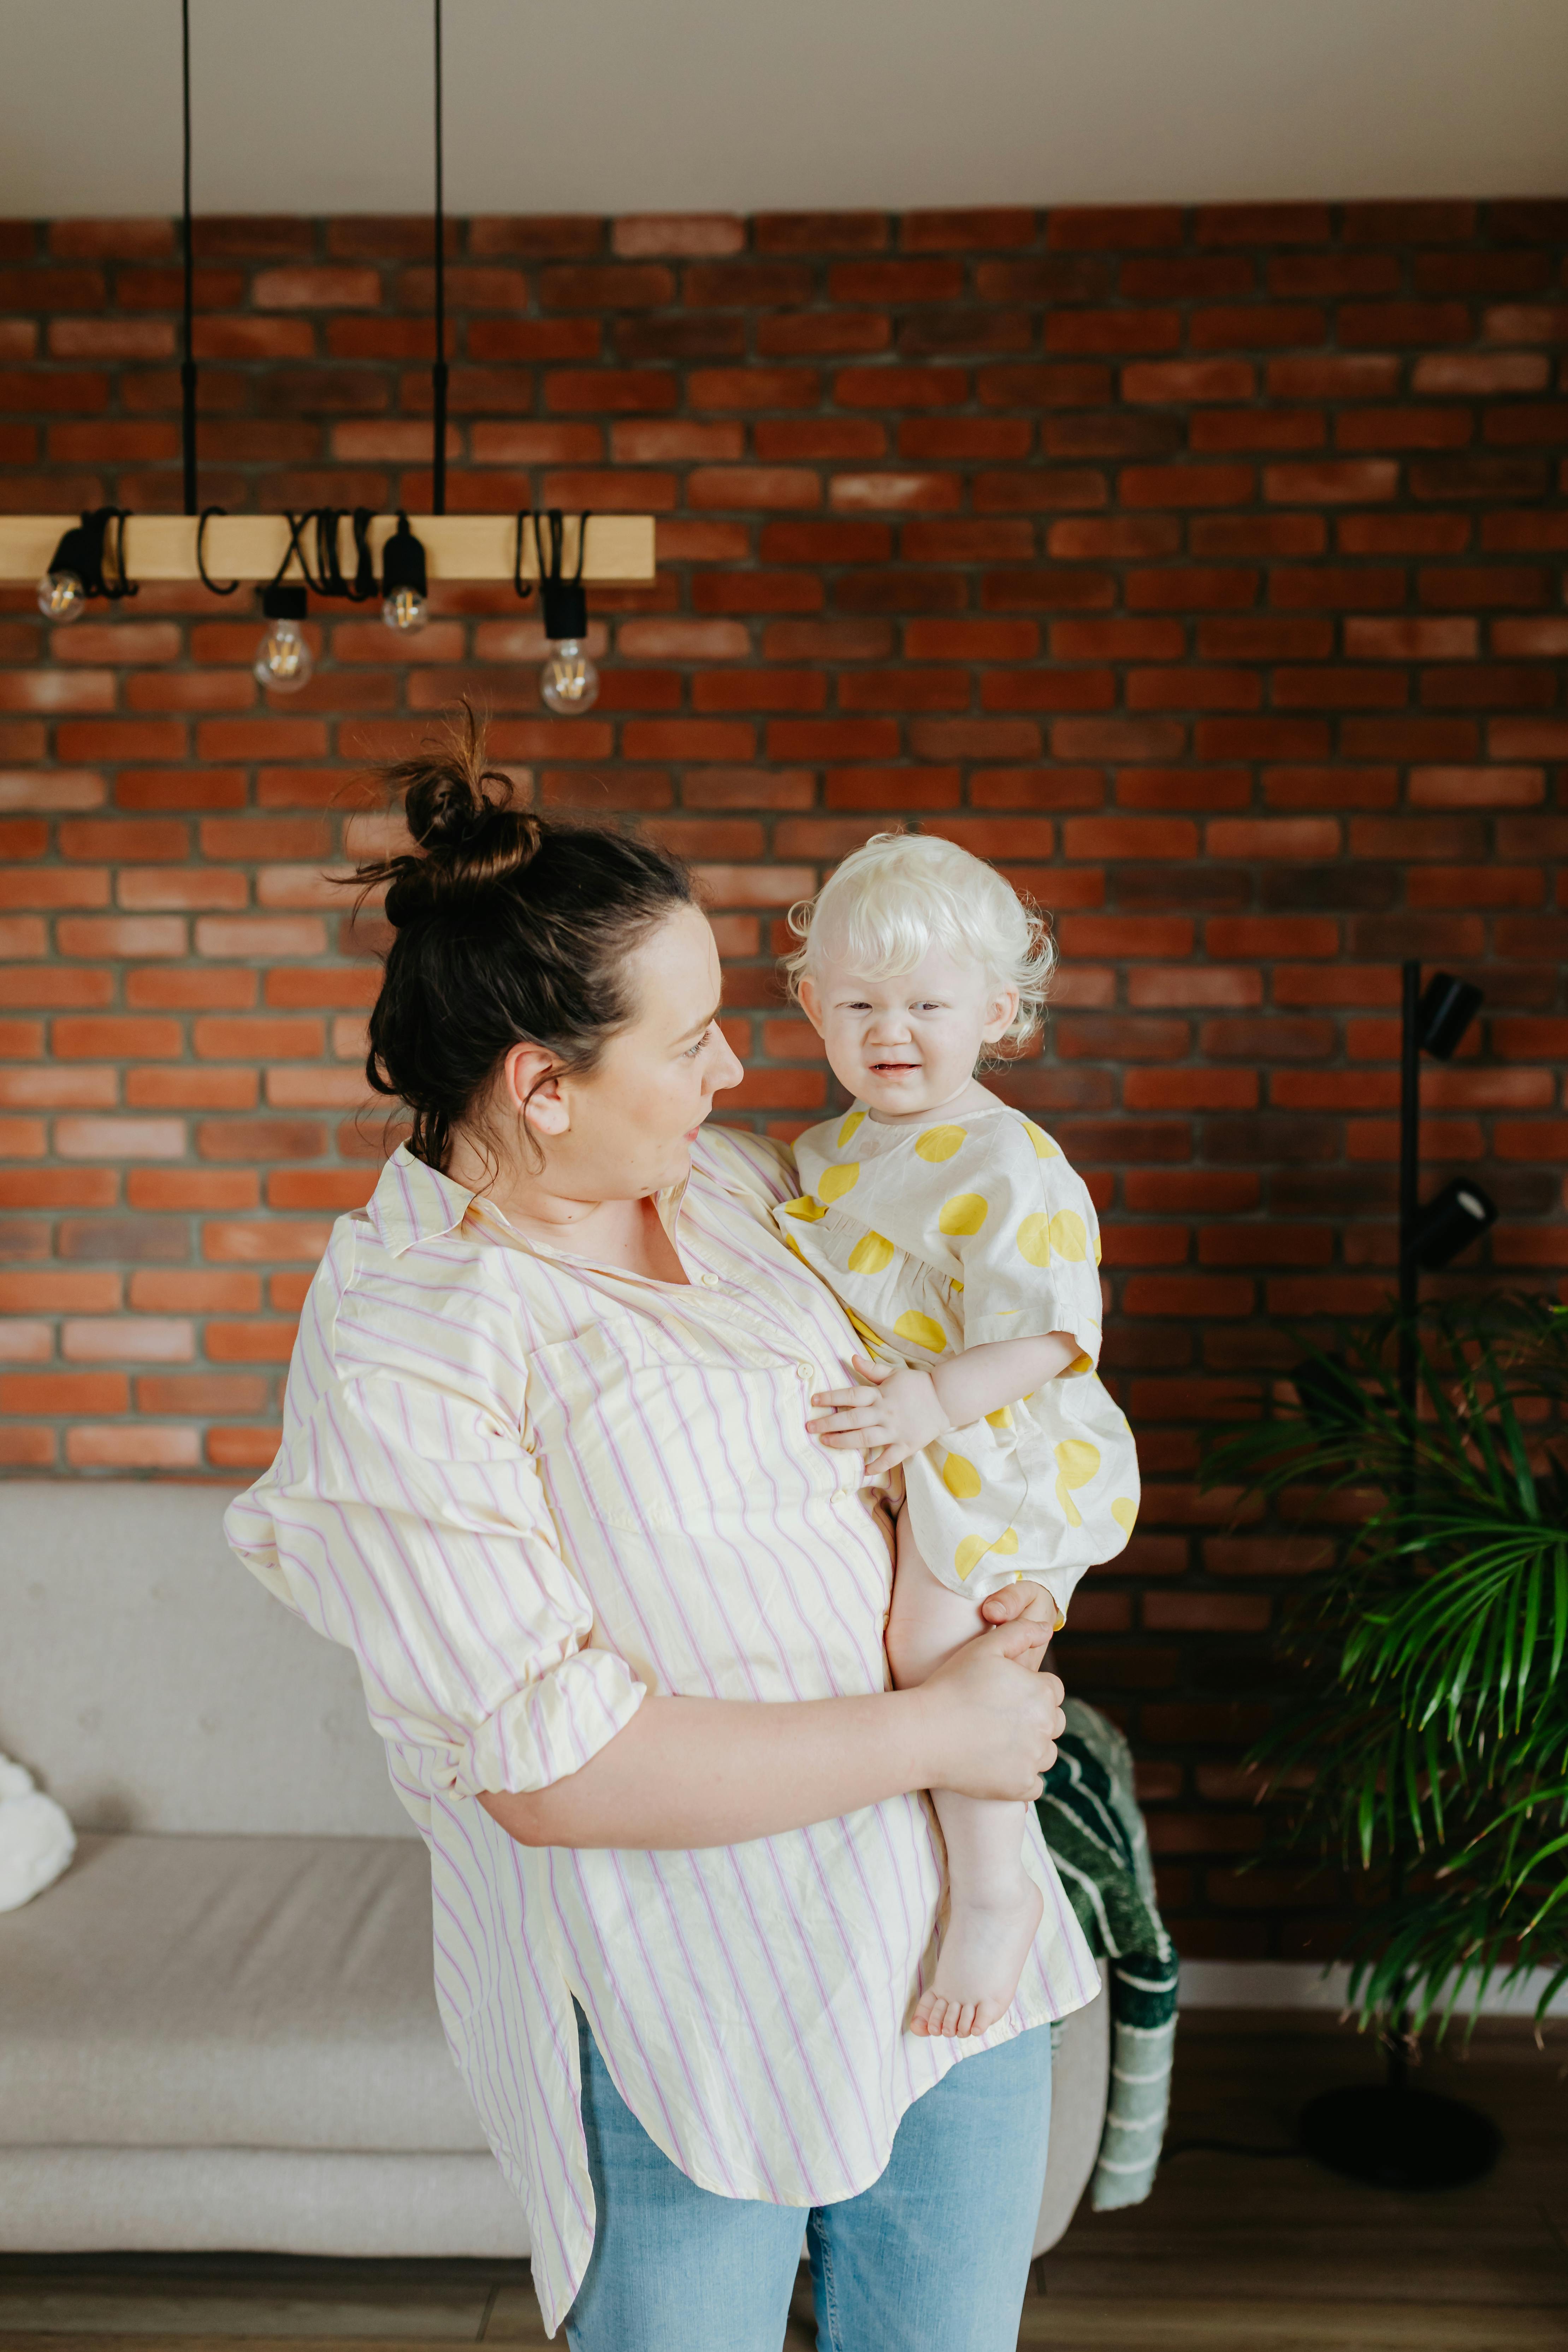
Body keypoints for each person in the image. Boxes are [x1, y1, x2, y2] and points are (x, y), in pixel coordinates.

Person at [223, 714, 1100, 2352]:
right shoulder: (415, 1333)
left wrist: (1013, 1584)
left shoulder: (747, 1192)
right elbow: (556, 1768)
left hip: (948, 1946)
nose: (737, 1069)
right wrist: (946, 1724)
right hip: (688, 2000)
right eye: (691, 1041)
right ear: (544, 1087)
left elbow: (961, 1416)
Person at [780, 834, 1140, 2042]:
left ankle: (996, 1887)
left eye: (930, 1003)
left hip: (1009, 1438)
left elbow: (1049, 1334)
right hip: (933, 1438)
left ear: (996, 1012)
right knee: (918, 1632)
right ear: (811, 1005)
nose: (895, 1030)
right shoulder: (836, 1150)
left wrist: (927, 1406)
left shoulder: (1007, 1161)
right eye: (862, 1002)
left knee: (932, 1639)